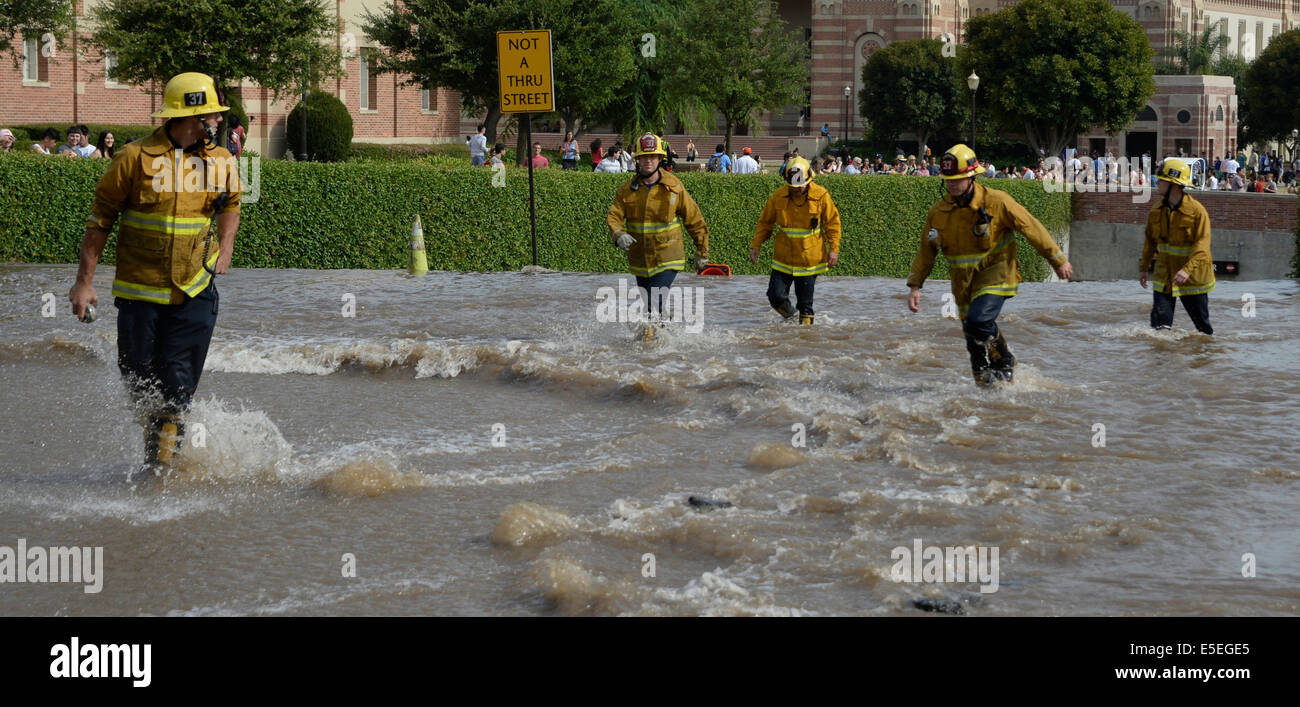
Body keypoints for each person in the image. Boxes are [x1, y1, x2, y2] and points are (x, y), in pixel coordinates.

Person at [67, 72, 241, 474]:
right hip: (140, 293)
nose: (215, 122)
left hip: (195, 290)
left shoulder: (220, 161)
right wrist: (84, 283)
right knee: (141, 384)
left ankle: (159, 475)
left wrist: (226, 247)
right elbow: (100, 221)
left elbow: (230, 203)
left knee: (177, 388)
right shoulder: (133, 159)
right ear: (188, 117)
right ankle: (157, 457)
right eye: (210, 116)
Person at [906, 144, 1073, 386]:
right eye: (948, 180)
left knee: (979, 321)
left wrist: (1057, 259)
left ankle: (1005, 358)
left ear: (972, 177)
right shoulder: (938, 213)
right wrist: (915, 286)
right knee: (975, 351)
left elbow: (1031, 227)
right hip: (963, 285)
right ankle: (990, 400)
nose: (952, 185)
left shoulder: (998, 202)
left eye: (958, 180)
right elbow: (926, 251)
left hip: (997, 273)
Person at [606, 133, 710, 340]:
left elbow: (695, 220)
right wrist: (618, 234)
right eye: (644, 157)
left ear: (660, 159)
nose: (648, 161)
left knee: (654, 299)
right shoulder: (626, 191)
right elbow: (614, 216)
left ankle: (651, 343)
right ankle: (663, 342)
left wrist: (702, 251)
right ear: (637, 160)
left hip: (668, 256)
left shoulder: (675, 187)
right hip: (640, 260)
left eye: (653, 157)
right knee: (648, 303)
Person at [749, 157, 842, 326]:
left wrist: (834, 249)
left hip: (809, 260)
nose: (797, 190)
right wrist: (756, 246)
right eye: (793, 187)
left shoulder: (821, 196)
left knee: (805, 306)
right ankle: (791, 318)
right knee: (775, 297)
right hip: (783, 259)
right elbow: (765, 223)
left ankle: (804, 341)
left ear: (809, 179)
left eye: (800, 187)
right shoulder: (778, 197)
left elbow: (833, 224)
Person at [1139, 158, 1214, 335]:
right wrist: (1144, 268)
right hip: (1164, 276)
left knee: (1203, 329)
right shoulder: (1156, 210)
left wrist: (1186, 270)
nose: (1157, 182)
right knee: (1158, 331)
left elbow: (1202, 246)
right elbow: (1150, 241)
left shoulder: (1197, 211)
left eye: (1162, 179)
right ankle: (1161, 362)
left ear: (1174, 184)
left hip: (1192, 277)